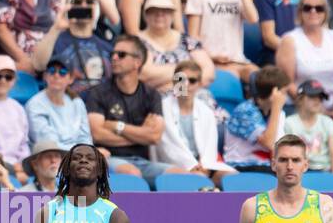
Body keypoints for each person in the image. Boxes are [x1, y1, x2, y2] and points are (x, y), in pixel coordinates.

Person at [84, 33, 179, 187]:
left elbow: (154, 137)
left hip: (143, 162)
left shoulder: (151, 94)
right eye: (112, 54)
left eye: (121, 55)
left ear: (137, 62)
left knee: (183, 176)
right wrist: (141, 133)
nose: (114, 58)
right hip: (108, 159)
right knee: (132, 174)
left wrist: (117, 126)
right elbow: (98, 134)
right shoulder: (98, 92)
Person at [184, 0, 259, 85]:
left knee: (264, 81)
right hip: (209, 62)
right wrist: (210, 57)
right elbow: (193, 38)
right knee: (229, 84)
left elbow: (253, 19)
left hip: (238, 61)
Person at [156, 59, 236, 184]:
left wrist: (205, 166)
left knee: (233, 177)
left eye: (192, 80)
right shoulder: (161, 108)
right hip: (175, 165)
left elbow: (211, 145)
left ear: (199, 84)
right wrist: (191, 165)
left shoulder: (206, 111)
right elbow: (167, 147)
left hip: (204, 165)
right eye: (181, 79)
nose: (186, 84)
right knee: (199, 179)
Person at [275, 0, 333, 115]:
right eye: (307, 8)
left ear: (325, 12)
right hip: (299, 108)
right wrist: (318, 110)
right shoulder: (289, 40)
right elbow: (287, 82)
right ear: (300, 12)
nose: (313, 11)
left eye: (319, 8)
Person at [32, 0, 111, 95]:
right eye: (77, 2)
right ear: (69, 7)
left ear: (96, 8)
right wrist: (56, 28)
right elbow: (38, 65)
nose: (84, 6)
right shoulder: (55, 39)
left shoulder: (106, 45)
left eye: (89, 2)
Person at [136, 0, 215, 95]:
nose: (160, 14)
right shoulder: (137, 42)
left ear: (172, 15)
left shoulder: (187, 41)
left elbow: (208, 71)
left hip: (193, 95)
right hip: (156, 100)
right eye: (154, 10)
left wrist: (178, 86)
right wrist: (189, 71)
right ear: (145, 15)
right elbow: (145, 75)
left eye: (165, 11)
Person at [226, 64, 287, 172]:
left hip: (266, 166)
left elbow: (277, 146)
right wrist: (276, 107)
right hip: (241, 165)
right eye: (283, 92)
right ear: (275, 92)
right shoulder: (245, 111)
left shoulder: (278, 113)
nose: (285, 97)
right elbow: (268, 142)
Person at [26, 52, 90, 151]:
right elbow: (49, 145)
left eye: (62, 72)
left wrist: (87, 153)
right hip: (50, 158)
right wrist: (80, 153)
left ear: (71, 79)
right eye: (52, 71)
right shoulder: (35, 105)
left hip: (77, 157)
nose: (56, 75)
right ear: (45, 76)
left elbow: (85, 138)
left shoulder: (77, 102)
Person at [277, 78, 333, 174]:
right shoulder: (289, 123)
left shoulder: (328, 122)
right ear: (300, 99)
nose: (317, 101)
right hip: (300, 172)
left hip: (327, 170)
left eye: (320, 97)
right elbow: (287, 154)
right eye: (312, 97)